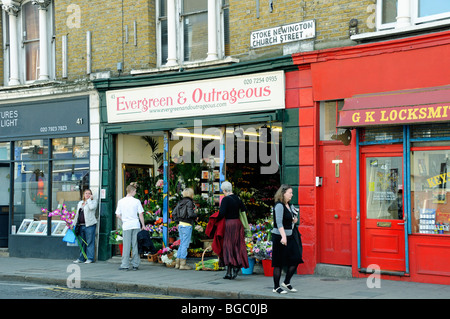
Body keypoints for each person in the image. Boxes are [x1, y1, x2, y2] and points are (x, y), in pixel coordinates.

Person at [271, 184, 303, 294]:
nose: (291, 194)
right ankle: (276, 287)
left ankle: (286, 282)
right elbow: (279, 223)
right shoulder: (279, 205)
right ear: (283, 193)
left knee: (296, 258)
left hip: (290, 235)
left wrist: (293, 221)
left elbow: (287, 221)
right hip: (280, 237)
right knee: (278, 262)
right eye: (290, 192)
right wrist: (283, 237)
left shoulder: (288, 205)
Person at [217, 181, 249, 279]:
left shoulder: (225, 199)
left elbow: (221, 213)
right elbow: (244, 210)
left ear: (224, 190)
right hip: (238, 224)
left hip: (229, 224)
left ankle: (228, 272)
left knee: (228, 246)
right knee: (237, 245)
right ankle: (236, 267)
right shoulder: (238, 198)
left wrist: (215, 219)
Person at [115, 182, 146, 271]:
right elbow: (140, 214)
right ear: (131, 191)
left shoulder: (121, 201)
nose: (135, 193)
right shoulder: (136, 201)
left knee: (126, 245)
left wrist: (123, 219)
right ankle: (135, 264)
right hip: (135, 224)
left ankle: (125, 264)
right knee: (135, 245)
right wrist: (143, 225)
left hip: (126, 225)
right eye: (135, 191)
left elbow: (117, 214)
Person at [172, 188, 197, 270]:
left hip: (181, 225)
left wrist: (177, 222)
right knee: (185, 244)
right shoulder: (189, 202)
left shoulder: (180, 202)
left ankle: (177, 263)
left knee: (182, 243)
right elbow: (190, 214)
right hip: (187, 225)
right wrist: (196, 215)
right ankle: (183, 264)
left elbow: (174, 213)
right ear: (191, 195)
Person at [73, 189, 98, 264]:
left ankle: (90, 258)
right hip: (80, 225)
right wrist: (73, 224)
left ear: (91, 195)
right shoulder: (80, 203)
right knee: (81, 243)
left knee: (90, 242)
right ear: (83, 194)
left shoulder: (93, 202)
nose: (87, 195)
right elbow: (77, 214)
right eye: (86, 193)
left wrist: (89, 200)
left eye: (89, 193)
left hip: (89, 225)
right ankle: (81, 258)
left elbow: (91, 208)